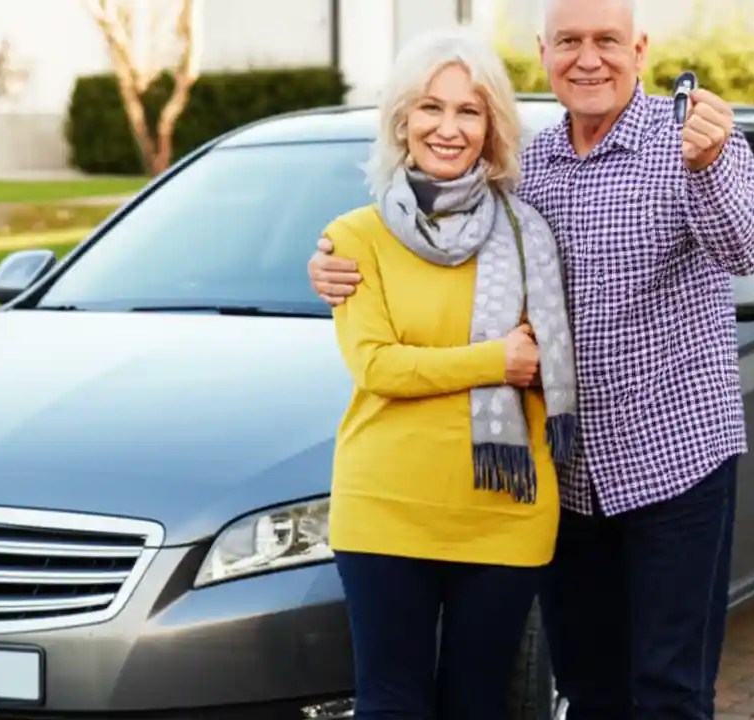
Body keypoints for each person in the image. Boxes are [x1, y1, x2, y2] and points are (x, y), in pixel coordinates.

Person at [309, 0, 754, 716]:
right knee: (588, 688)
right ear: (544, 52)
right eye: (569, 42)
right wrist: (326, 266)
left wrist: (710, 166)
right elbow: (436, 239)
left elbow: (747, 251)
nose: (588, 58)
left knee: (669, 690)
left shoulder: (691, 142)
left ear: (640, 48)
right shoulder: (530, 173)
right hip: (568, 473)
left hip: (674, 463)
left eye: (607, 41)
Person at [319, 26, 577, 720]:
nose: (448, 127)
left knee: (478, 703)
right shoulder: (353, 239)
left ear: (492, 126)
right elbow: (377, 367)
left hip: (503, 512)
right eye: (431, 108)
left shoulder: (531, 236)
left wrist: (528, 362)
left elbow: (556, 363)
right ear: (402, 120)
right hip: (386, 509)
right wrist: (499, 358)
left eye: (469, 110)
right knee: (392, 702)